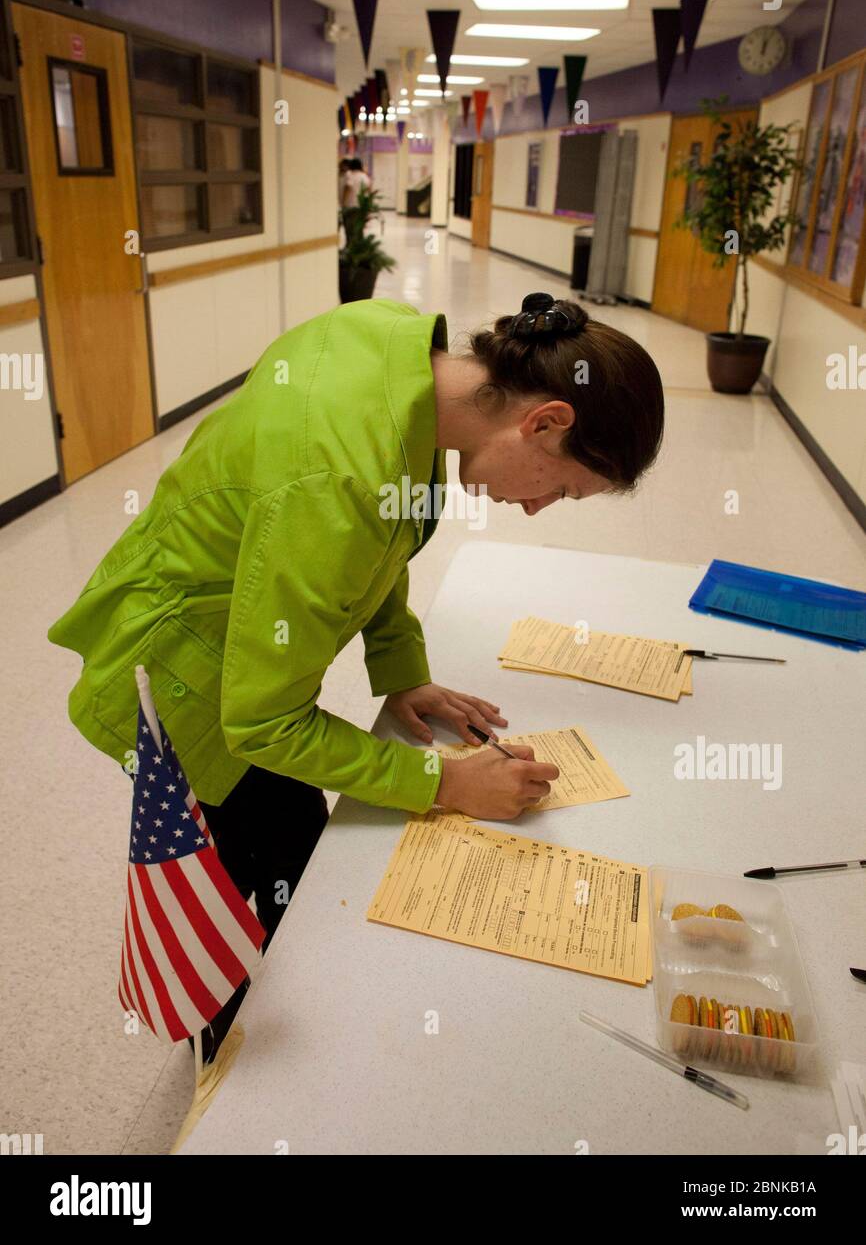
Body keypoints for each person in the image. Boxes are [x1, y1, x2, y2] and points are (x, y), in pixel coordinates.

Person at [48, 291, 664, 1057]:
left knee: (299, 852)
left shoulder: (395, 351)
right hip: (188, 688)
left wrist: (401, 668)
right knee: (234, 894)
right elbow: (264, 723)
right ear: (545, 422)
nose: (538, 508)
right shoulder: (336, 483)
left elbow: (380, 538)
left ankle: (270, 1026)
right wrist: (448, 783)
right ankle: (233, 1073)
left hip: (224, 630)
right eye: (562, 487)